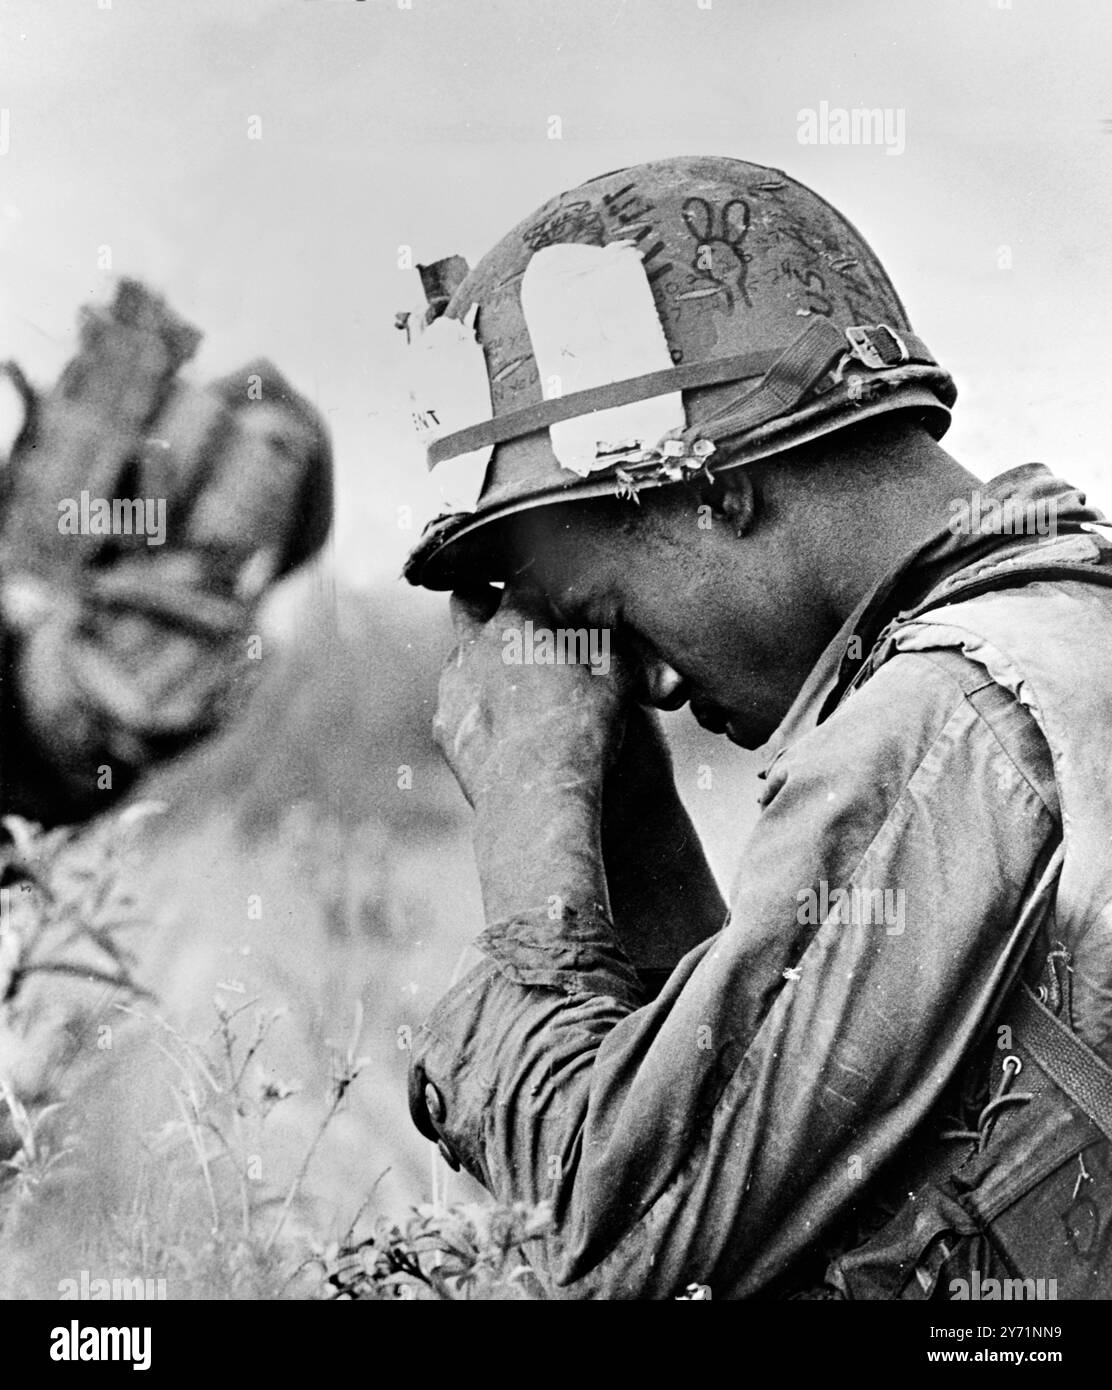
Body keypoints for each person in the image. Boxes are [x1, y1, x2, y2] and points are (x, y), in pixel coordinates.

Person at [401, 156, 1112, 1299]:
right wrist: (626, 815)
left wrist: (534, 819)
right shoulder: (1058, 643)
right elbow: (763, 1133)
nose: (644, 686)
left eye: (605, 614)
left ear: (708, 488)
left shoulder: (947, 723)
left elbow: (612, 1242)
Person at [0, 278, 331, 829]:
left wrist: (49, 604)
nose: (250, 486)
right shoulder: (111, 525)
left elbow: (85, 740)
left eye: (278, 461)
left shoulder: (221, 645)